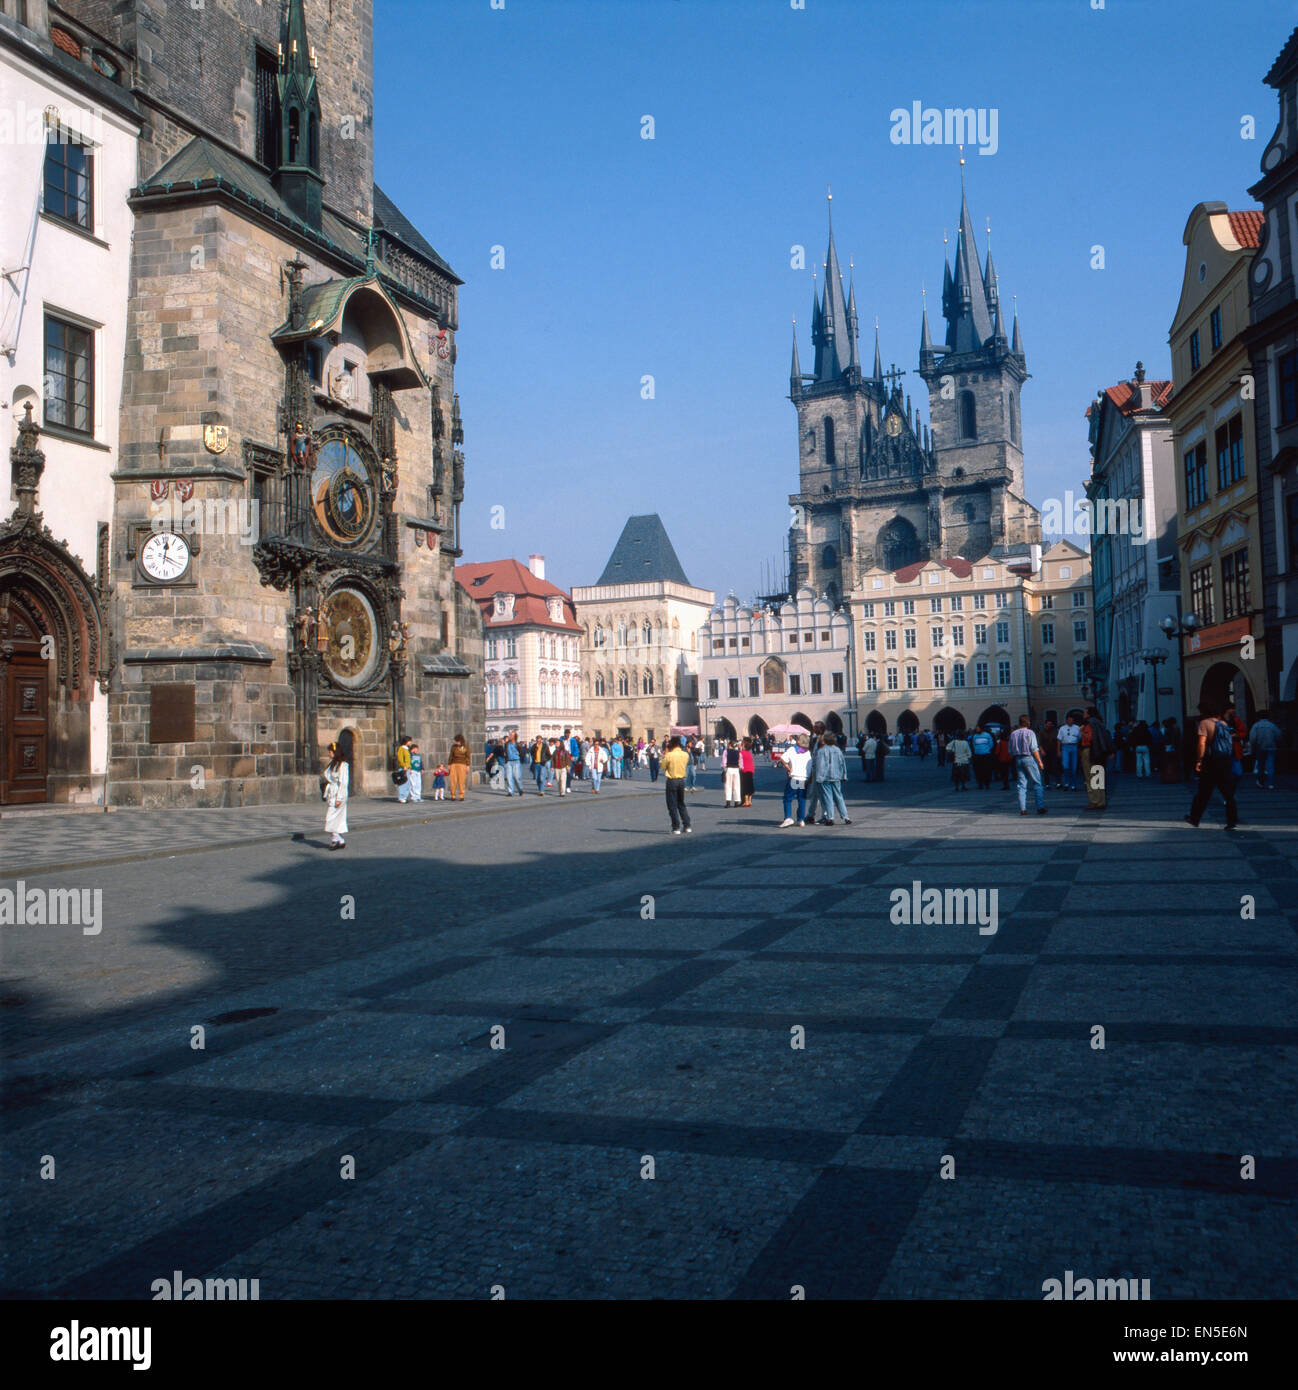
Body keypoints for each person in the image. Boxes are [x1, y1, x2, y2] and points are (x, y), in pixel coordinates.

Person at [1185, 699, 1240, 830]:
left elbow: (1202, 743)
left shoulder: (1204, 723)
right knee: (1228, 793)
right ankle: (1232, 821)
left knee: (1203, 792)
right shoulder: (1223, 723)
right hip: (1225, 761)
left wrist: (1199, 760)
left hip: (1211, 762)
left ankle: (1194, 818)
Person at [1009, 714, 1047, 816]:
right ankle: (1040, 807)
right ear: (1028, 722)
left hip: (1018, 759)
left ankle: (1023, 809)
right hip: (1029, 758)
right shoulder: (1030, 733)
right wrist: (1040, 761)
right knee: (1037, 783)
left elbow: (1010, 750)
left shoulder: (1013, 734)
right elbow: (1034, 748)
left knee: (1021, 785)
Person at [324, 729, 353, 850]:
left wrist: (340, 798)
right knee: (334, 818)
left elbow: (344, 782)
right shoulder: (333, 764)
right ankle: (339, 840)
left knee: (331, 817)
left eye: (330, 751)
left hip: (339, 794)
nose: (329, 754)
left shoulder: (343, 765)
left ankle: (336, 839)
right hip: (332, 792)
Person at [813, 732, 850, 826]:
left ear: (825, 740)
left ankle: (830, 818)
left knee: (828, 797)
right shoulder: (838, 750)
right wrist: (844, 775)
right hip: (836, 776)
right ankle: (845, 816)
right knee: (839, 796)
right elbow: (842, 763)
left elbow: (820, 765)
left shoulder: (821, 751)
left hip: (825, 777)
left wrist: (818, 778)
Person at [1080, 706, 1111, 811]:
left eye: (1085, 712)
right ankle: (1101, 801)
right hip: (1100, 752)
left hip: (1089, 751)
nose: (1084, 714)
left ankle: (1094, 801)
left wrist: (1082, 732)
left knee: (1090, 777)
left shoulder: (1088, 724)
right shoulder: (1100, 723)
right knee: (1099, 776)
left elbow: (1089, 738)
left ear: (1089, 714)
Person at [662, 736, 693, 834]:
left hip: (672, 780)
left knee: (672, 805)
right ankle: (687, 825)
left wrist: (665, 756)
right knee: (681, 803)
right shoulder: (685, 755)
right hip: (681, 781)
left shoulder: (669, 755)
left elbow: (662, 766)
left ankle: (676, 827)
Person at [778, 736, 811, 827]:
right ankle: (801, 819)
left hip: (794, 777)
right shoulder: (807, 752)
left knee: (788, 798)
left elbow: (782, 758)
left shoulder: (792, 749)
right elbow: (810, 767)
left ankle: (788, 817)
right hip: (804, 778)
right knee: (802, 799)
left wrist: (788, 768)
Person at [1248, 712, 1282, 789]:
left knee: (1261, 765)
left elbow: (1252, 738)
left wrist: (1253, 746)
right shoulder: (1272, 725)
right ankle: (1271, 783)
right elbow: (1279, 735)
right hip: (1271, 747)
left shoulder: (1256, 725)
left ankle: (1261, 782)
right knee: (1270, 765)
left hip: (1260, 747)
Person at [1222, 703, 1248, 779]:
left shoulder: (1236, 720)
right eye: (1232, 709)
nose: (1234, 710)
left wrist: (1236, 735)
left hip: (1234, 750)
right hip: (1224, 750)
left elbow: (1243, 732)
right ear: (1227, 710)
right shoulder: (1219, 720)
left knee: (1238, 772)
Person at [1057, 713, 1081, 790]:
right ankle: (1067, 783)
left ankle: (1073, 784)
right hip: (1065, 747)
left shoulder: (1077, 728)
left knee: (1074, 767)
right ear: (1066, 720)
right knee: (1065, 766)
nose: (1071, 721)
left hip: (1074, 747)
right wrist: (1058, 750)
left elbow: (1080, 738)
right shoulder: (1062, 728)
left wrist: (1079, 748)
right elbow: (1059, 740)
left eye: (1072, 720)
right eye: (1069, 720)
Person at [970, 724, 995, 790]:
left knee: (987, 770)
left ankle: (987, 784)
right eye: (976, 728)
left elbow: (991, 744)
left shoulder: (987, 735)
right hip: (977, 755)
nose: (977, 729)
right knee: (978, 771)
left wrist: (986, 750)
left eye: (978, 728)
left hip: (986, 755)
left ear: (981, 728)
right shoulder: (975, 736)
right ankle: (980, 784)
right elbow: (973, 745)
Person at [448, 733, 470, 801]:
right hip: (454, 764)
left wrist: (468, 766)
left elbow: (468, 757)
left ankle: (461, 795)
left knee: (461, 780)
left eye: (458, 741)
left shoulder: (466, 747)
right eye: (456, 741)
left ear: (461, 741)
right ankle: (453, 795)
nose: (457, 742)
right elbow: (451, 756)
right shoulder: (453, 747)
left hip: (462, 765)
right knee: (453, 781)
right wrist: (449, 764)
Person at [1039, 719, 1060, 788]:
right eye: (1048, 724)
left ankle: (1058, 782)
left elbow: (1058, 741)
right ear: (1045, 724)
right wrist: (1042, 751)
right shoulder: (1042, 732)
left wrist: (1058, 751)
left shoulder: (1055, 731)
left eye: (1050, 724)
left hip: (1053, 751)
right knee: (1046, 768)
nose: (1049, 725)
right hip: (1045, 752)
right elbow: (1039, 743)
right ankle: (1047, 783)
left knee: (1055, 767)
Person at [395, 735, 413, 803]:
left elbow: (408, 760)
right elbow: (400, 758)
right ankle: (401, 797)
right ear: (406, 741)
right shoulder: (401, 748)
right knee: (403, 783)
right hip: (403, 768)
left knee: (408, 783)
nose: (410, 742)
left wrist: (410, 768)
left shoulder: (407, 749)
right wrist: (403, 766)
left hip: (407, 768)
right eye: (409, 741)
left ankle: (405, 796)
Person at [739, 737, 756, 807]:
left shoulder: (741, 753)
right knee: (750, 785)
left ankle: (746, 801)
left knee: (745, 786)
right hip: (751, 770)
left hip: (744, 770)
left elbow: (739, 761)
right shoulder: (749, 753)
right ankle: (749, 801)